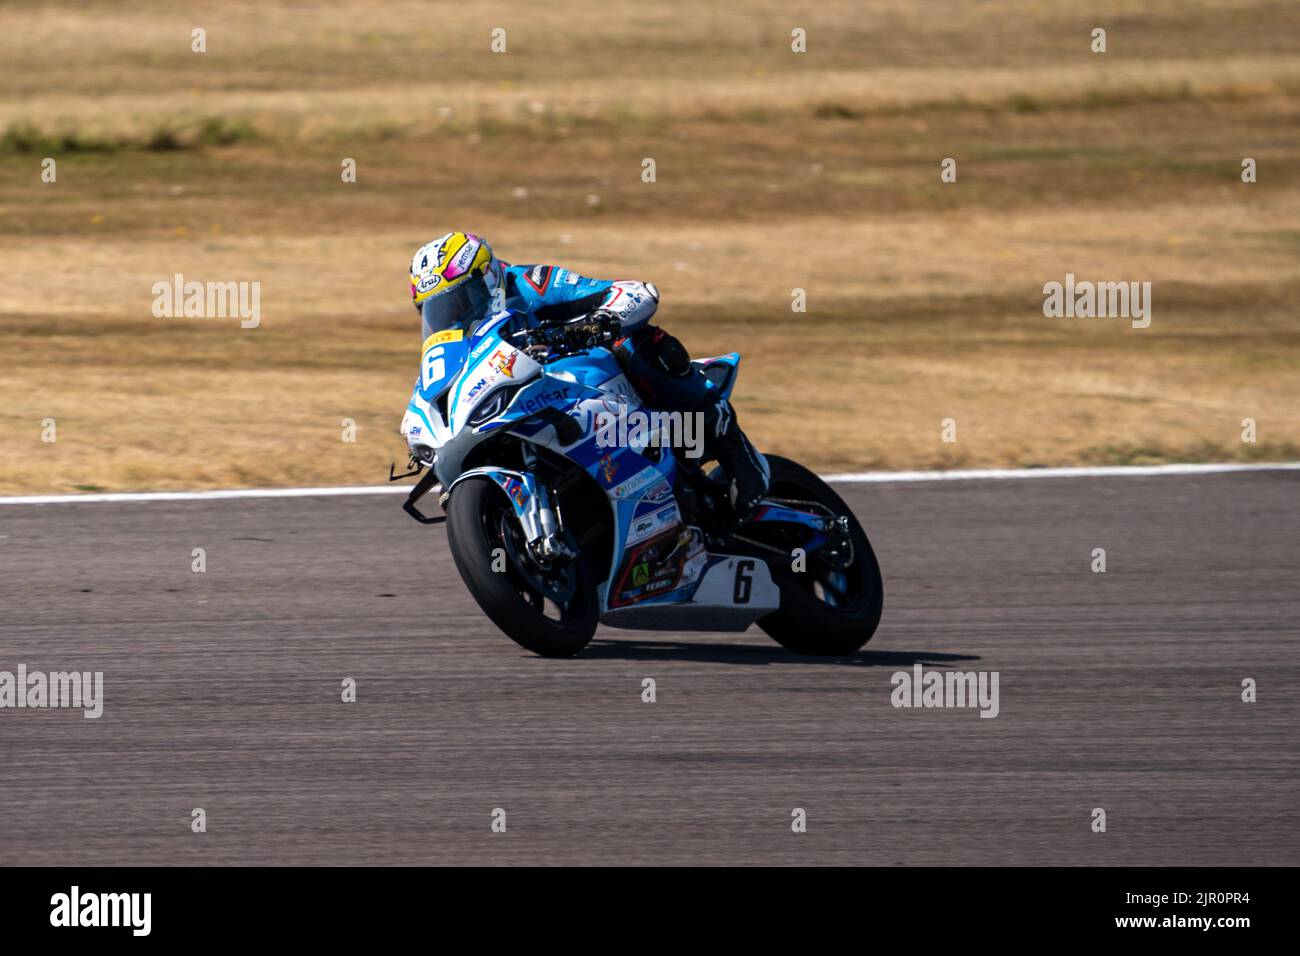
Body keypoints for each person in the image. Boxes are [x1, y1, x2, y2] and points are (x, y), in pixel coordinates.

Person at [409, 231, 769, 516]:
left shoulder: (531, 282)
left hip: (589, 378)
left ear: (488, 279)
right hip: (526, 404)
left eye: (462, 299)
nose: (454, 314)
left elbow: (633, 293)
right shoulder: (458, 344)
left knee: (638, 343)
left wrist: (600, 321)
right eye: (438, 310)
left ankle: (724, 432)